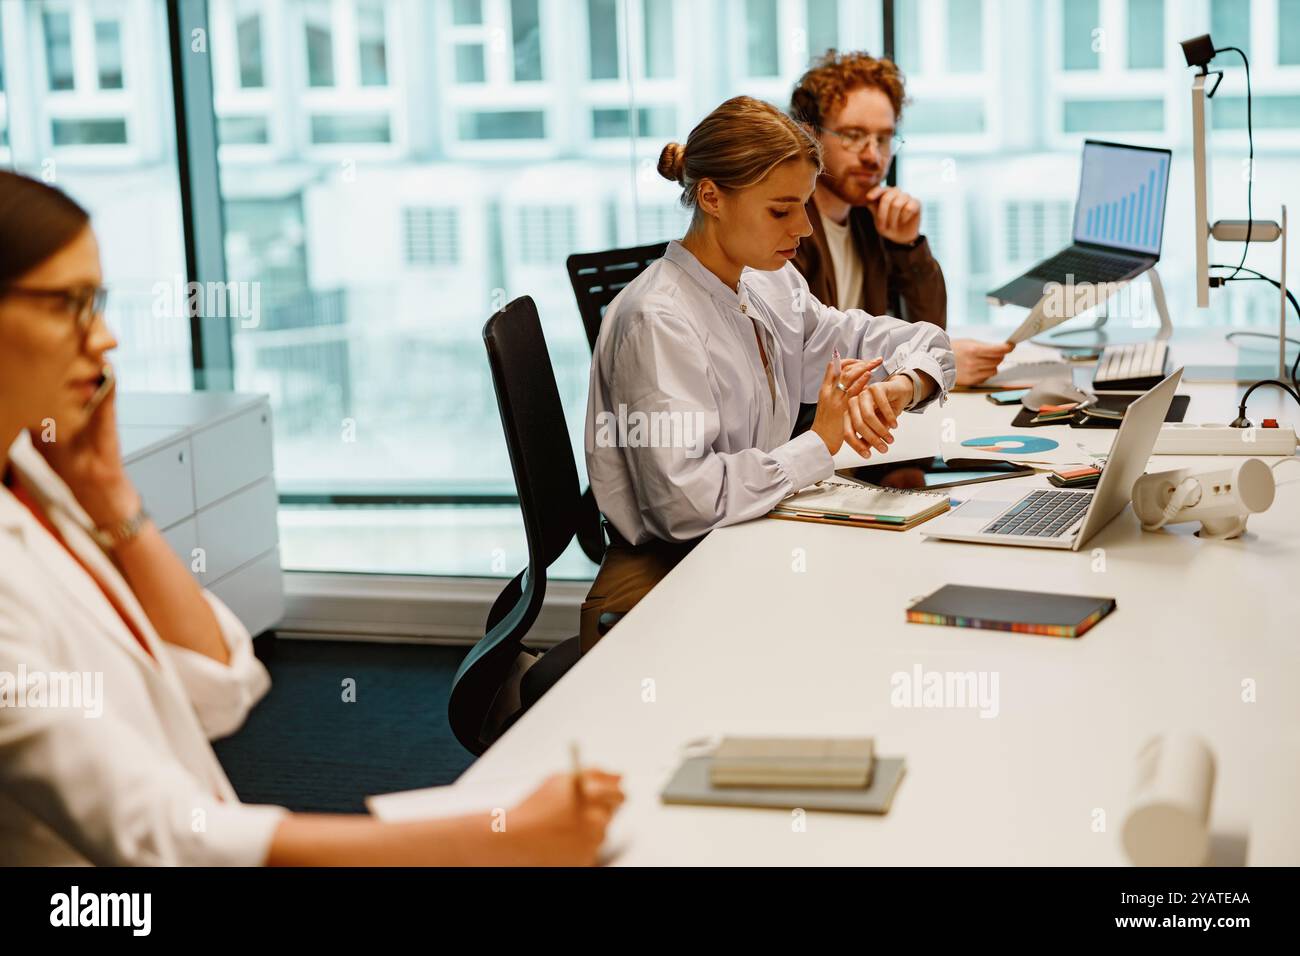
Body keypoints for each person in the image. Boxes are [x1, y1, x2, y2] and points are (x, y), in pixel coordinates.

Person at [0, 170, 623, 865]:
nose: (106, 337)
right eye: (70, 304)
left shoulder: (35, 476)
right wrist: (494, 837)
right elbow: (159, 833)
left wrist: (110, 493)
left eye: (102, 301)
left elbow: (220, 686)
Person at [580, 96, 955, 650]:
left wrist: (904, 383)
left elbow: (917, 339)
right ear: (711, 197)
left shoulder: (768, 284)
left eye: (803, 205)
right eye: (781, 210)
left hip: (746, 531)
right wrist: (819, 444)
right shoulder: (656, 319)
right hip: (667, 568)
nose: (803, 226)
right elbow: (687, 506)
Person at [789, 49, 1014, 388]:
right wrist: (926, 367)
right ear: (812, 135)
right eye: (852, 136)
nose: (873, 155)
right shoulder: (786, 225)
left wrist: (907, 246)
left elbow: (930, 326)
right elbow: (798, 361)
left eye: (883, 138)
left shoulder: (870, 218)